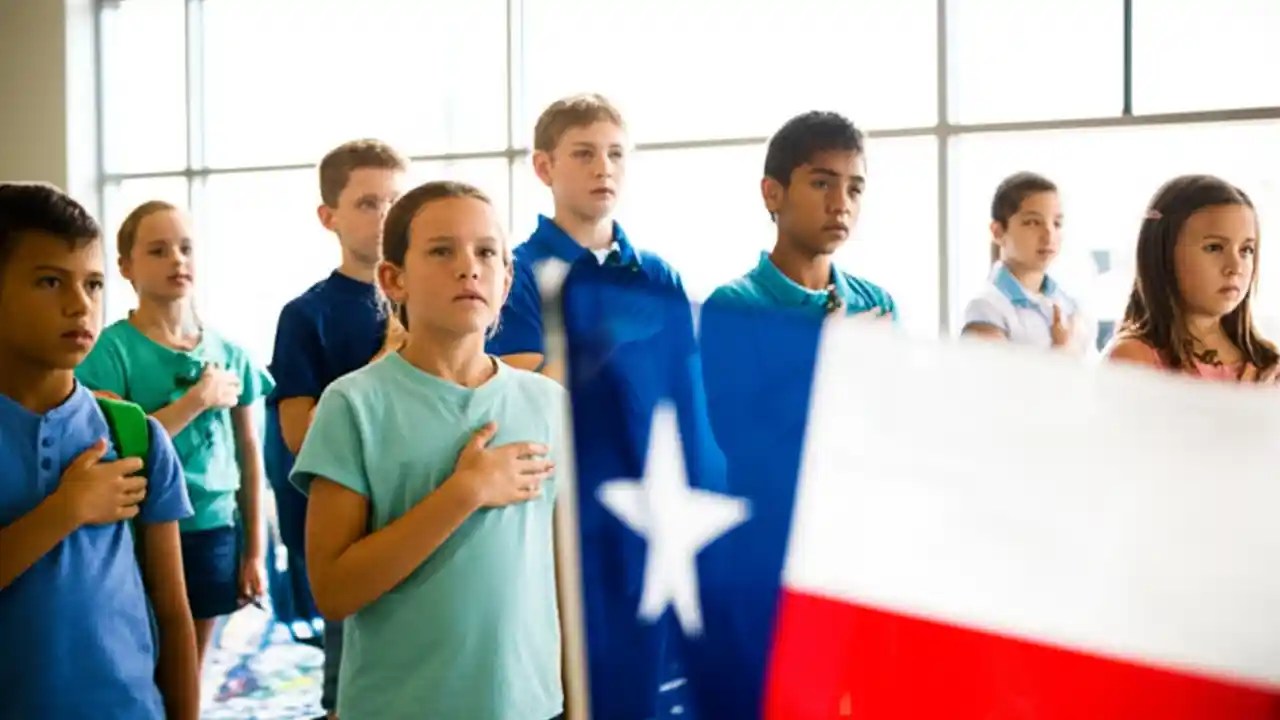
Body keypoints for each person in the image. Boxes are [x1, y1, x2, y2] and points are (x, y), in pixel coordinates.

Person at [293, 180, 565, 720]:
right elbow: (334, 591)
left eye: (486, 252)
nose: (469, 268)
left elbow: (562, 579)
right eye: (442, 251)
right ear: (393, 279)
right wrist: (465, 493)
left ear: (507, 278)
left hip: (529, 706)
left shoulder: (548, 403)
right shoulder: (353, 404)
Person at [0, 182, 198, 719]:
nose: (80, 305)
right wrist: (66, 510)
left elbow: (172, 610)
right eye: (49, 282)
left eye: (92, 284)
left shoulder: (133, 435)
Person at [76, 200, 274, 673]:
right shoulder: (109, 352)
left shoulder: (231, 354)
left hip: (213, 528)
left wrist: (255, 551)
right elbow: (119, 449)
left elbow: (250, 457)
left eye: (186, 248)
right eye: (159, 250)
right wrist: (197, 400)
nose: (177, 260)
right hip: (137, 529)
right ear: (126, 266)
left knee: (191, 665)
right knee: (140, 656)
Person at [263, 138, 408, 717]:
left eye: (396, 201)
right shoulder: (307, 316)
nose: (386, 217)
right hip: (351, 527)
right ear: (330, 217)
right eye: (369, 203)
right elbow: (301, 437)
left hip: (426, 509)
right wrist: (386, 359)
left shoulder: (435, 300)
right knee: (351, 683)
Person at [1104, 174, 1278, 381]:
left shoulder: (1268, 364)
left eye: (1246, 250)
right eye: (1214, 247)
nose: (1235, 267)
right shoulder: (1133, 359)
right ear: (1164, 253)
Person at [960, 171, 1094, 352]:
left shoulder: (1068, 302)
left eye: (1056, 224)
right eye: (1032, 222)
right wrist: (1062, 353)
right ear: (998, 232)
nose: (1049, 235)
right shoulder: (985, 309)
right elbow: (989, 371)